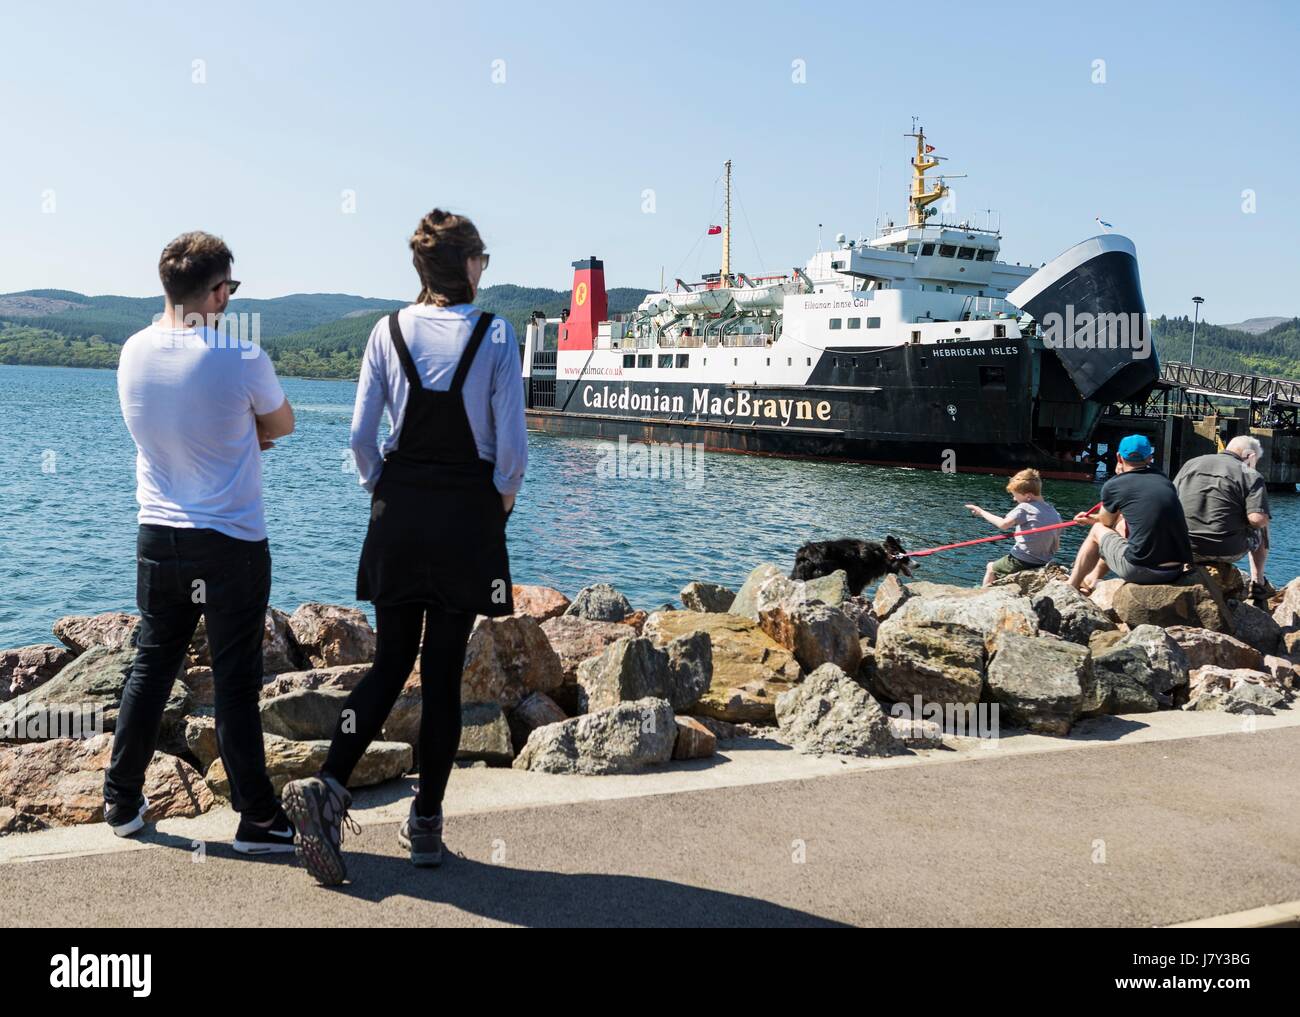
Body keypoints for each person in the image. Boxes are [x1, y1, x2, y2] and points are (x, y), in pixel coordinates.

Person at [282, 209, 527, 885]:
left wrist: (383, 491)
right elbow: (512, 450)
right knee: (442, 673)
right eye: (481, 259)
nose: (484, 269)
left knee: (389, 662)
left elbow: (362, 439)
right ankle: (425, 822)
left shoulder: (386, 331)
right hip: (466, 514)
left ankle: (330, 784)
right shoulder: (497, 334)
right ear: (467, 263)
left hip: (400, 509)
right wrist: (499, 500)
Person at [106, 231, 297, 852]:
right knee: (236, 679)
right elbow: (282, 424)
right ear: (216, 292)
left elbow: (172, 431)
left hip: (158, 534)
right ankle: (257, 819)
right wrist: (246, 436)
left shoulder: (132, 352)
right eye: (230, 289)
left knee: (151, 665)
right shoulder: (241, 357)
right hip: (230, 540)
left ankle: (121, 799)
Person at [1067, 434, 1193, 593]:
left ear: (1119, 457)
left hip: (1141, 570)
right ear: (1149, 458)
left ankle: (1071, 585)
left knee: (1097, 531)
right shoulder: (1164, 480)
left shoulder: (1114, 485)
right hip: (1175, 570)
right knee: (1121, 524)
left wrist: (1089, 519)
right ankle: (1092, 578)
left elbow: (1105, 522)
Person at [1174, 435, 1272, 601]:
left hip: (1186, 548)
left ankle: (1180, 569)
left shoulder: (1191, 464)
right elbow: (1257, 519)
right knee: (1263, 521)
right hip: (1226, 549)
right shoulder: (1250, 473)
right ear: (1251, 457)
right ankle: (1258, 582)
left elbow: (1171, 501)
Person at [965, 468, 1062, 587]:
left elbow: (1003, 525)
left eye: (1015, 495)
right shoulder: (1054, 513)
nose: (1014, 499)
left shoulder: (1025, 507)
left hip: (1023, 560)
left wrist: (981, 512)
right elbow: (1056, 545)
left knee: (991, 567)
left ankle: (983, 594)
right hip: (1044, 561)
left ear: (1028, 496)